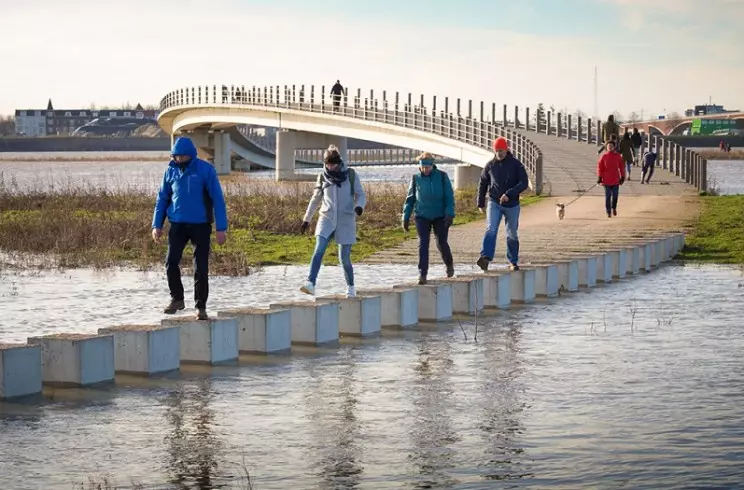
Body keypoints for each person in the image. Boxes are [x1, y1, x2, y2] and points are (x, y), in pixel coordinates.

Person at [152, 136, 228, 320]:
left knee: (200, 268)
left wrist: (221, 228)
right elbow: (162, 199)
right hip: (177, 225)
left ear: (190, 155)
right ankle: (177, 299)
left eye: (182, 157)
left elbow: (218, 200)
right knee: (171, 263)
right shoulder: (170, 172)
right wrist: (157, 225)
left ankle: (200, 307)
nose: (178, 160)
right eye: (175, 157)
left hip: (201, 226)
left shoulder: (205, 170)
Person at [300, 144, 366, 298]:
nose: (330, 167)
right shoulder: (322, 176)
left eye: (333, 164)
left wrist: (359, 207)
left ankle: (350, 287)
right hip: (327, 217)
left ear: (339, 162)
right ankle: (311, 283)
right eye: (327, 164)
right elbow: (315, 199)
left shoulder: (350, 175)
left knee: (344, 258)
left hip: (346, 218)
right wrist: (306, 220)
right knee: (319, 249)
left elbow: (361, 195)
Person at [476, 136, 529, 272]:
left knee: (511, 233)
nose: (499, 153)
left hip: (512, 204)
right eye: (497, 150)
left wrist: (509, 194)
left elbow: (523, 183)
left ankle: (513, 261)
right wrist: (480, 202)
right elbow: (482, 183)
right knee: (491, 229)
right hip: (494, 202)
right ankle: (485, 257)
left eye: (502, 150)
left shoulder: (516, 165)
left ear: (507, 150)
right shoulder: (490, 166)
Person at [402, 152, 456, 285]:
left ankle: (449, 264)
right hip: (422, 215)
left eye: (427, 167)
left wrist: (450, 214)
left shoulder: (442, 177)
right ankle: (423, 274)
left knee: (441, 243)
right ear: (419, 167)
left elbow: (449, 197)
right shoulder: (416, 179)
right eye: (423, 167)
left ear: (432, 166)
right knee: (423, 243)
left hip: (440, 215)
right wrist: (405, 217)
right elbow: (410, 200)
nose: (425, 170)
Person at [597, 140, 626, 218]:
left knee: (615, 196)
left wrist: (623, 177)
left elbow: (621, 167)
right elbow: (600, 168)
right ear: (606, 147)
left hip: (616, 179)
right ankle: (608, 211)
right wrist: (599, 178)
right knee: (608, 196)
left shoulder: (618, 156)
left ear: (614, 147)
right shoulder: (604, 156)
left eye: (611, 146)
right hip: (606, 180)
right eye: (608, 146)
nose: (610, 147)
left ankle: (614, 208)